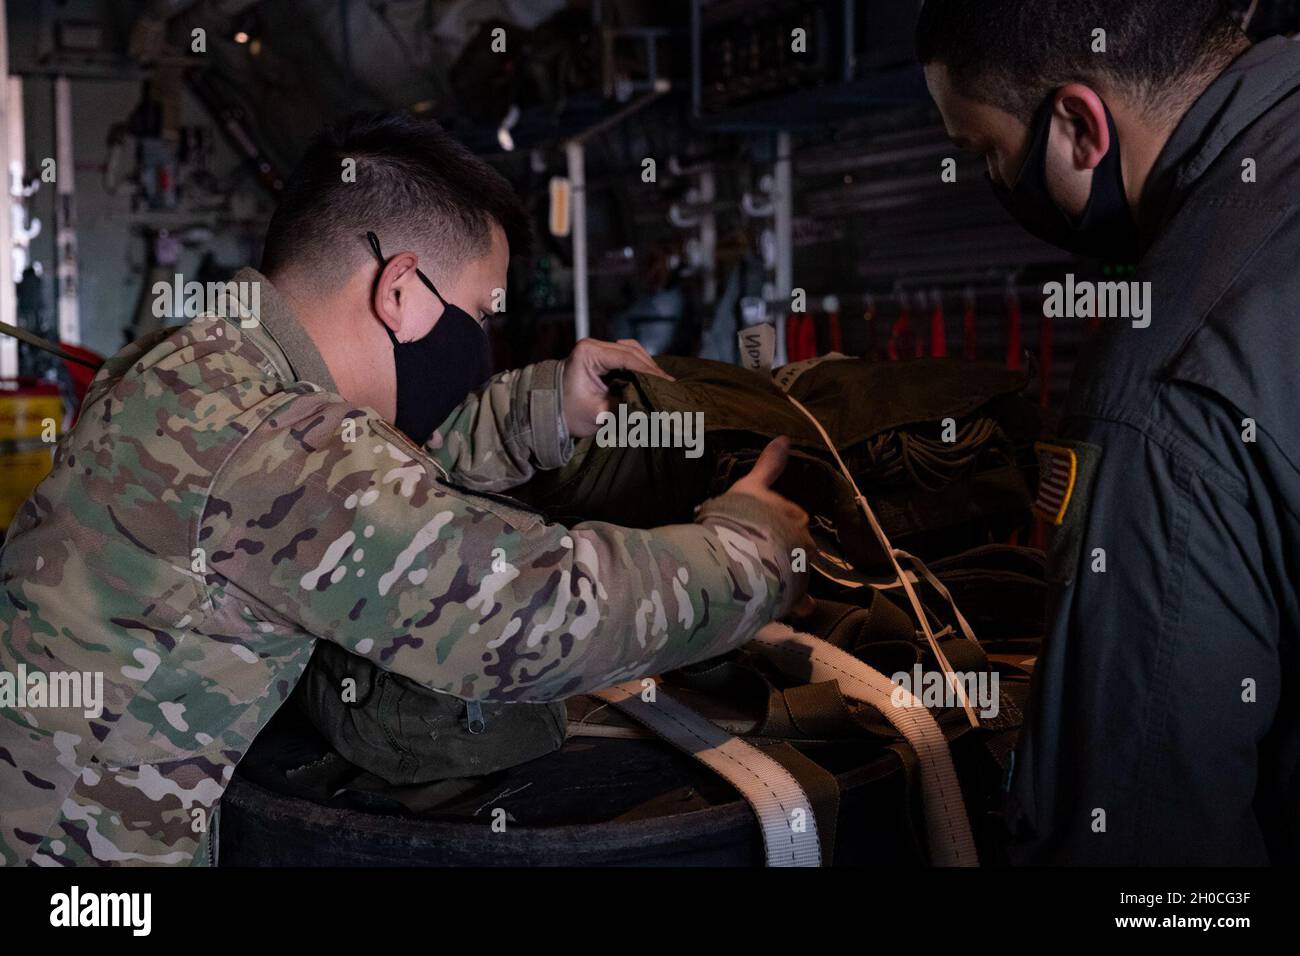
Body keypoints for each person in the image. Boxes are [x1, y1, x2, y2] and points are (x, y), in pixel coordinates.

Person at [0, 112, 811, 866]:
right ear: (399, 288)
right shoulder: (277, 444)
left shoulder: (190, 366)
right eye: (475, 315)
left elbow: (378, 498)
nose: (477, 343)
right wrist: (750, 548)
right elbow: (536, 617)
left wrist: (542, 411)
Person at [916, 0, 1300, 864]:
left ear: (1080, 127)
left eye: (984, 151)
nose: (990, 176)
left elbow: (1143, 848)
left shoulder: (1164, 387)